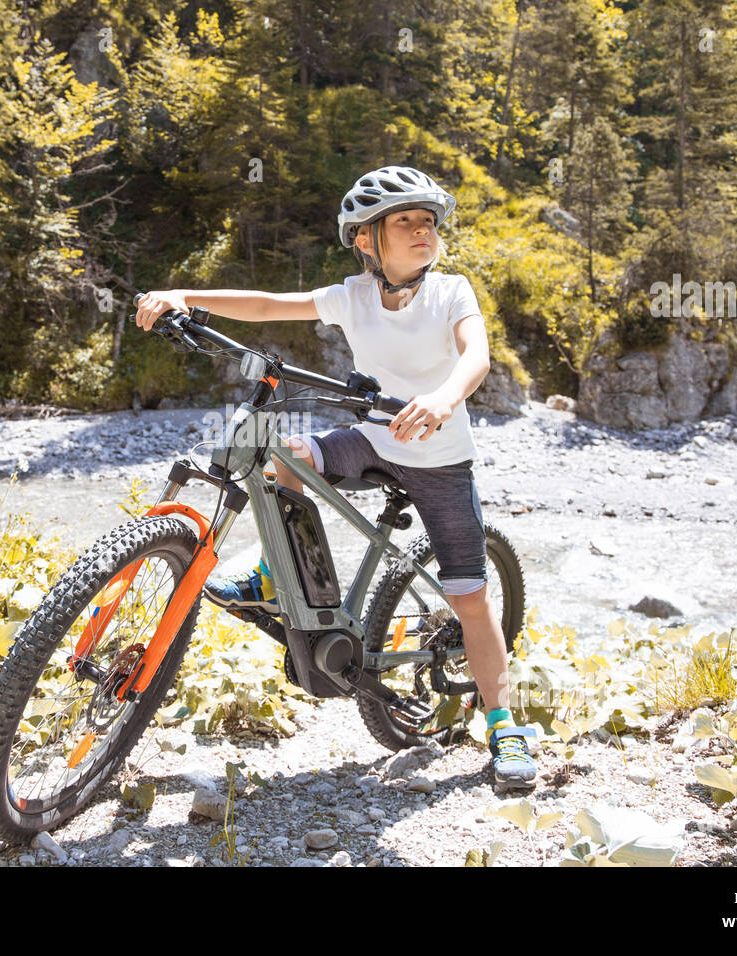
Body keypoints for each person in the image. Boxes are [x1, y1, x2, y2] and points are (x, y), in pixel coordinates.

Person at [132, 165, 536, 789]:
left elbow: (475, 355)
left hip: (440, 460)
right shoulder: (352, 296)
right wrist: (187, 297)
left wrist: (443, 398)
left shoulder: (452, 291)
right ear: (367, 240)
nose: (423, 230)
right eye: (405, 221)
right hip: (373, 440)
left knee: (470, 599)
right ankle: (277, 575)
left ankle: (505, 725)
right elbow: (269, 304)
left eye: (428, 221)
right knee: (281, 456)